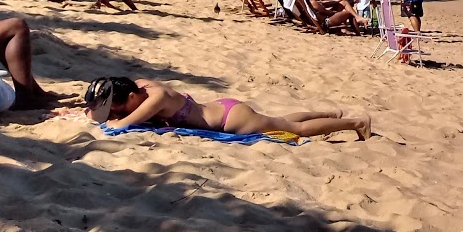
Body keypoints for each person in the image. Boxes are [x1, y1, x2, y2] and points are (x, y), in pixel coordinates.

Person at [86, 77, 370, 140]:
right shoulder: (142, 86)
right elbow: (113, 113)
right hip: (223, 108)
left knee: (291, 128)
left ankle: (356, 123)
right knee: (279, 119)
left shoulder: (154, 99)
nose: (118, 110)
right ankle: (332, 114)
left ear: (132, 96)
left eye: (120, 104)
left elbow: (121, 125)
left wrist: (109, 118)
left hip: (226, 121)